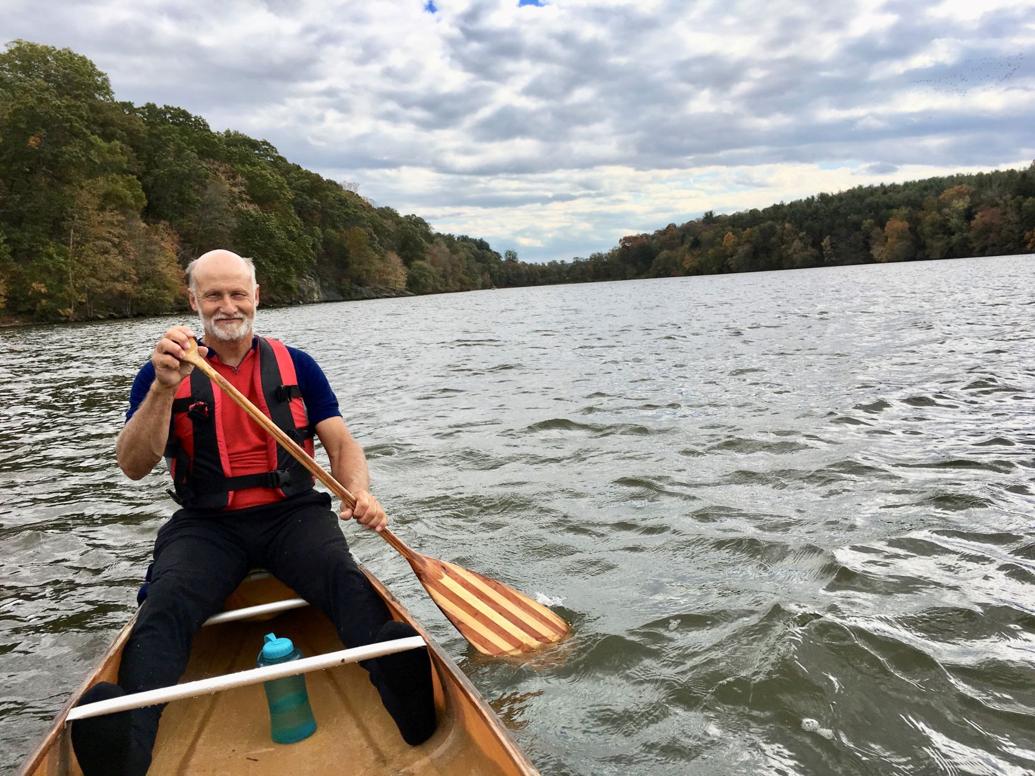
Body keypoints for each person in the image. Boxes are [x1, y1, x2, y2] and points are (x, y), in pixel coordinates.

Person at [70, 249, 436, 776]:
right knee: (168, 600)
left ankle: (410, 706)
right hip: (207, 524)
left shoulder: (298, 365)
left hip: (293, 514)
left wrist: (359, 491)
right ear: (193, 300)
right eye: (213, 295)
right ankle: (125, 741)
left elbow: (341, 444)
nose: (227, 305)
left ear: (256, 297)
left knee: (342, 578)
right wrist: (162, 390)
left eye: (237, 293)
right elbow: (133, 465)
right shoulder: (163, 374)